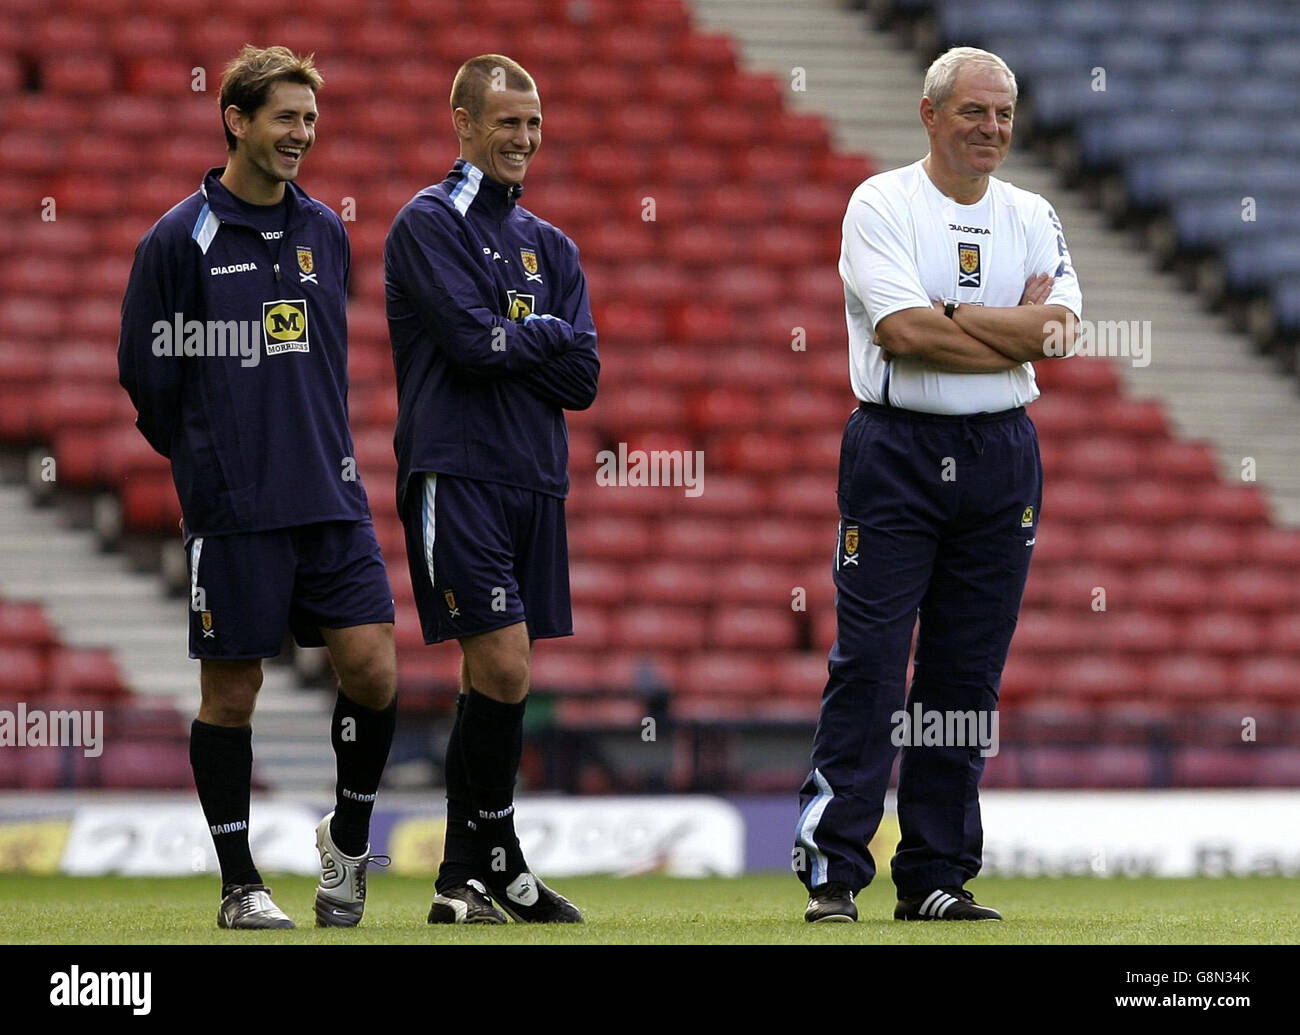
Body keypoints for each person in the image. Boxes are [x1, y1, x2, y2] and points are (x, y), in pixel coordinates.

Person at [794, 47, 1082, 922]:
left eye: (1003, 113)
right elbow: (903, 333)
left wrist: (952, 315)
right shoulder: (880, 203)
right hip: (897, 449)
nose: (992, 127)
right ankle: (834, 871)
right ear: (930, 114)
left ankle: (934, 875)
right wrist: (1008, 328)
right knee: (872, 665)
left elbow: (1061, 336)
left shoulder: (1032, 212)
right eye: (973, 111)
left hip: (1002, 453)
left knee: (965, 676)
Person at [118, 45, 397, 930]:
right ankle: (241, 884)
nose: (301, 134)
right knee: (232, 694)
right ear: (236, 120)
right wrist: (211, 457)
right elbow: (148, 377)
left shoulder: (326, 231)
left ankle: (346, 844)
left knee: (374, 668)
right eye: (286, 117)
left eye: (310, 119)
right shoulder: (178, 239)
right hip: (236, 508)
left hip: (331, 494)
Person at [384, 54, 598, 924]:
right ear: (464, 124)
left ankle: (468, 877)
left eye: (534, 122)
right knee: (504, 662)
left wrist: (519, 335)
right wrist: (542, 335)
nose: (524, 137)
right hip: (459, 469)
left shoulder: (554, 245)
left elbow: (584, 378)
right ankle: (489, 862)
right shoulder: (427, 223)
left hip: (535, 478)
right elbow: (473, 347)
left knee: (495, 676)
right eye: (508, 121)